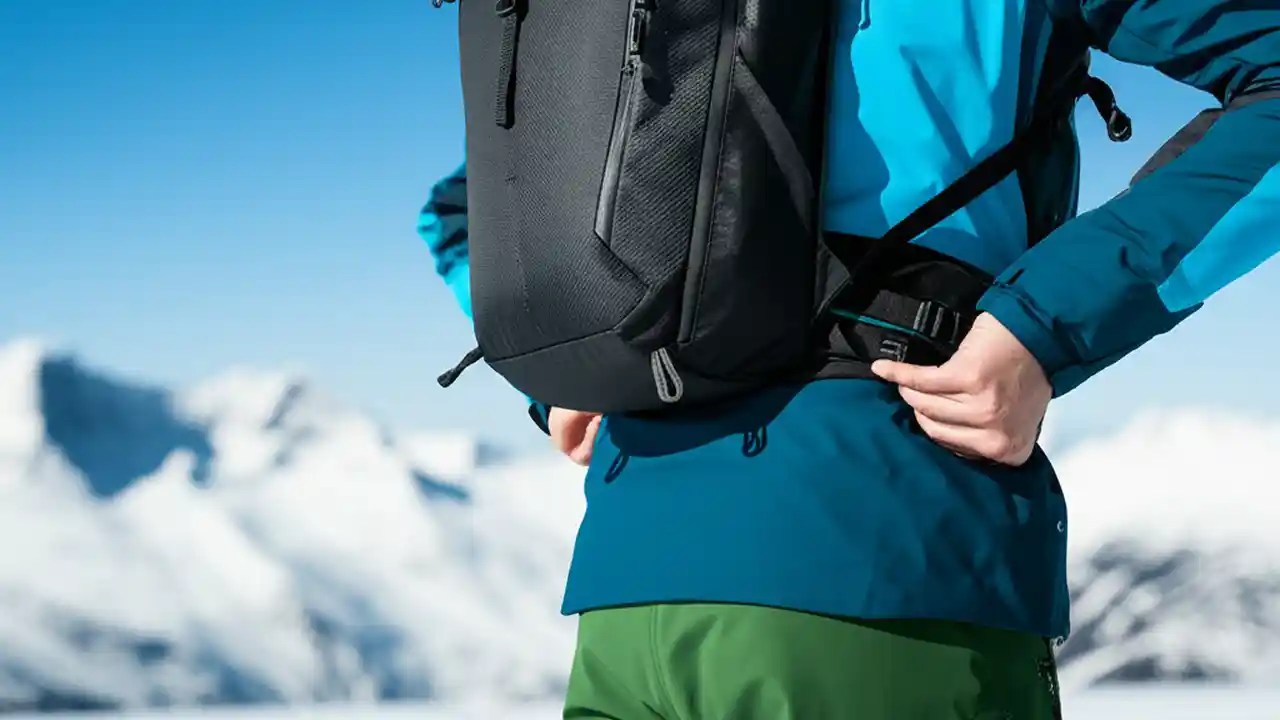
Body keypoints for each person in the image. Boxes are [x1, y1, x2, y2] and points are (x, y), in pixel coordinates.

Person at [420, 2, 1280, 717]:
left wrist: (581, 356)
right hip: (886, 557)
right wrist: (1040, 327)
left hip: (628, 598)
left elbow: (464, 209)